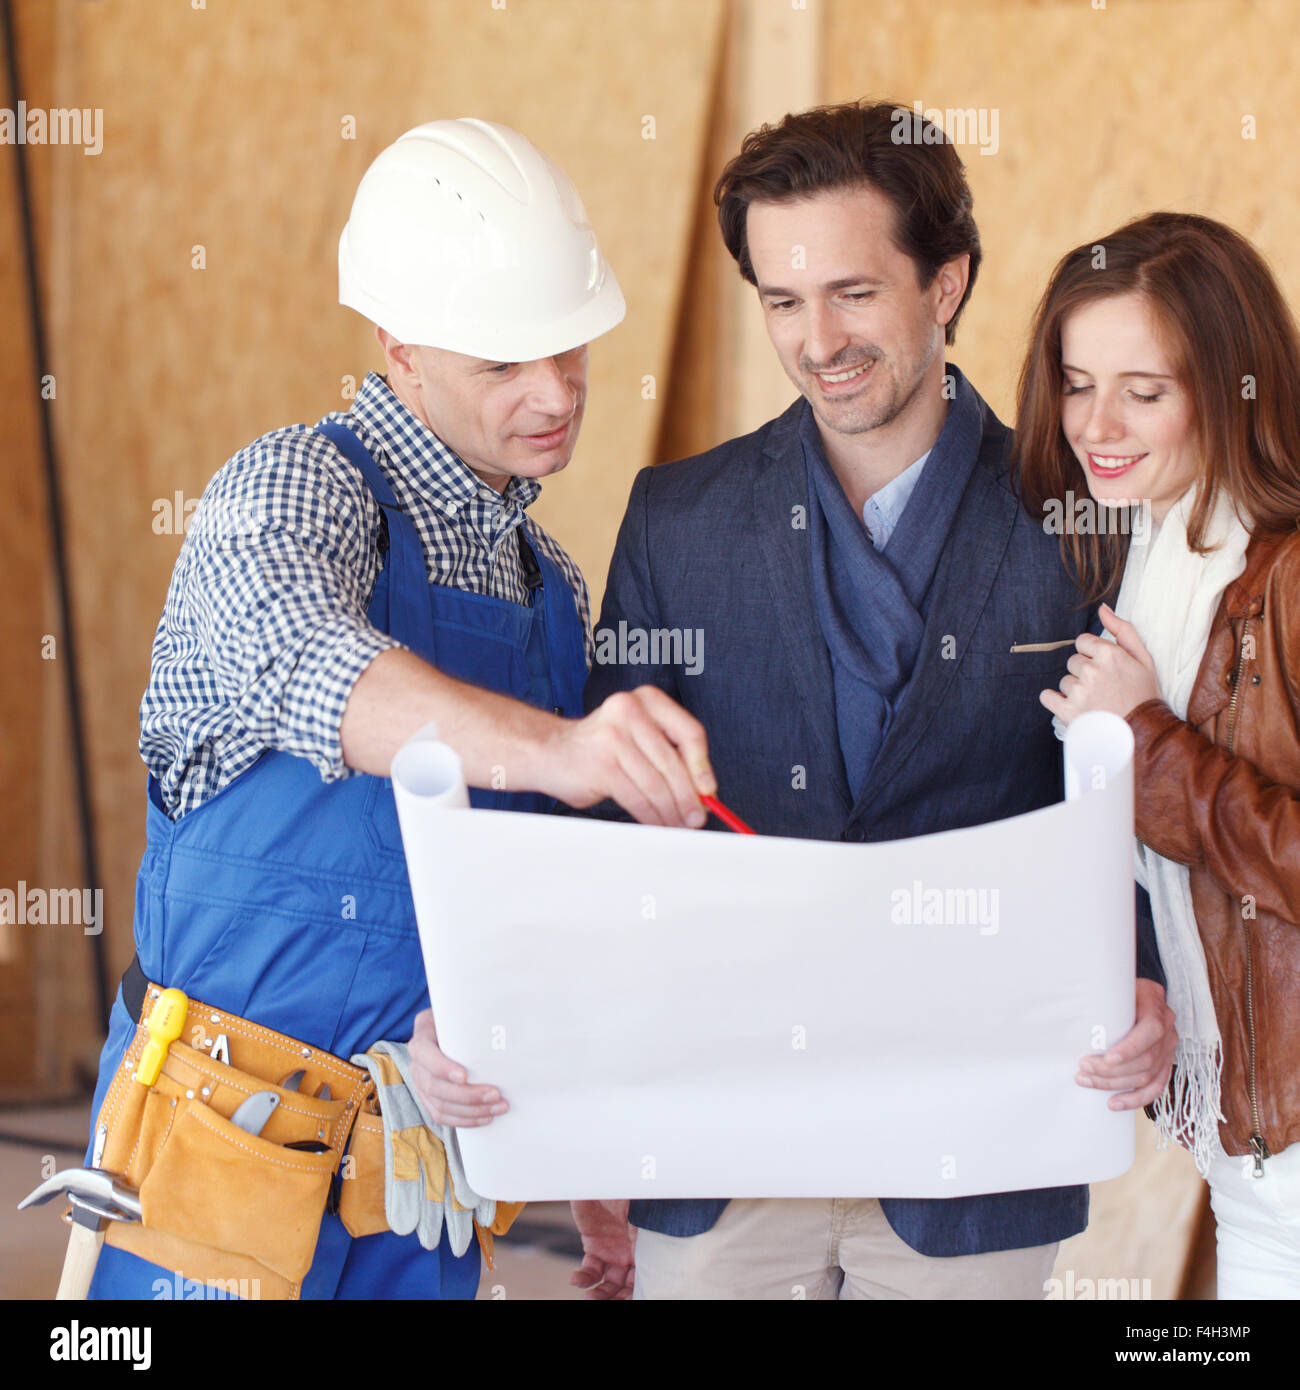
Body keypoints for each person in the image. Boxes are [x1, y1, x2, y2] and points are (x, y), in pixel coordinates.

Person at [418, 100, 1177, 1301]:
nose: (816, 337)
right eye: (781, 300)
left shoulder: (1079, 512)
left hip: (978, 1133)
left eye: (854, 293)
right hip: (716, 1135)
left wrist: (1147, 981)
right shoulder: (681, 515)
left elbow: (1129, 803)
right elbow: (606, 825)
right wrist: (500, 1018)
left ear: (946, 283)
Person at [79, 118, 714, 1301]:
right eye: (502, 364)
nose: (556, 393)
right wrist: (562, 747)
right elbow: (301, 656)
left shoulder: (548, 588)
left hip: (415, 1186)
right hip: (210, 1179)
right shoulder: (289, 489)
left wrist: (587, 1165)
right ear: (398, 346)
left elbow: (531, 903)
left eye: (568, 350)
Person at [1023, 211, 1300, 1299]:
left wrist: (1147, 743)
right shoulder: (1138, 561)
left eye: (1144, 390)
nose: (1098, 422)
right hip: (1245, 1145)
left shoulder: (1281, 582)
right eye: (1077, 380)